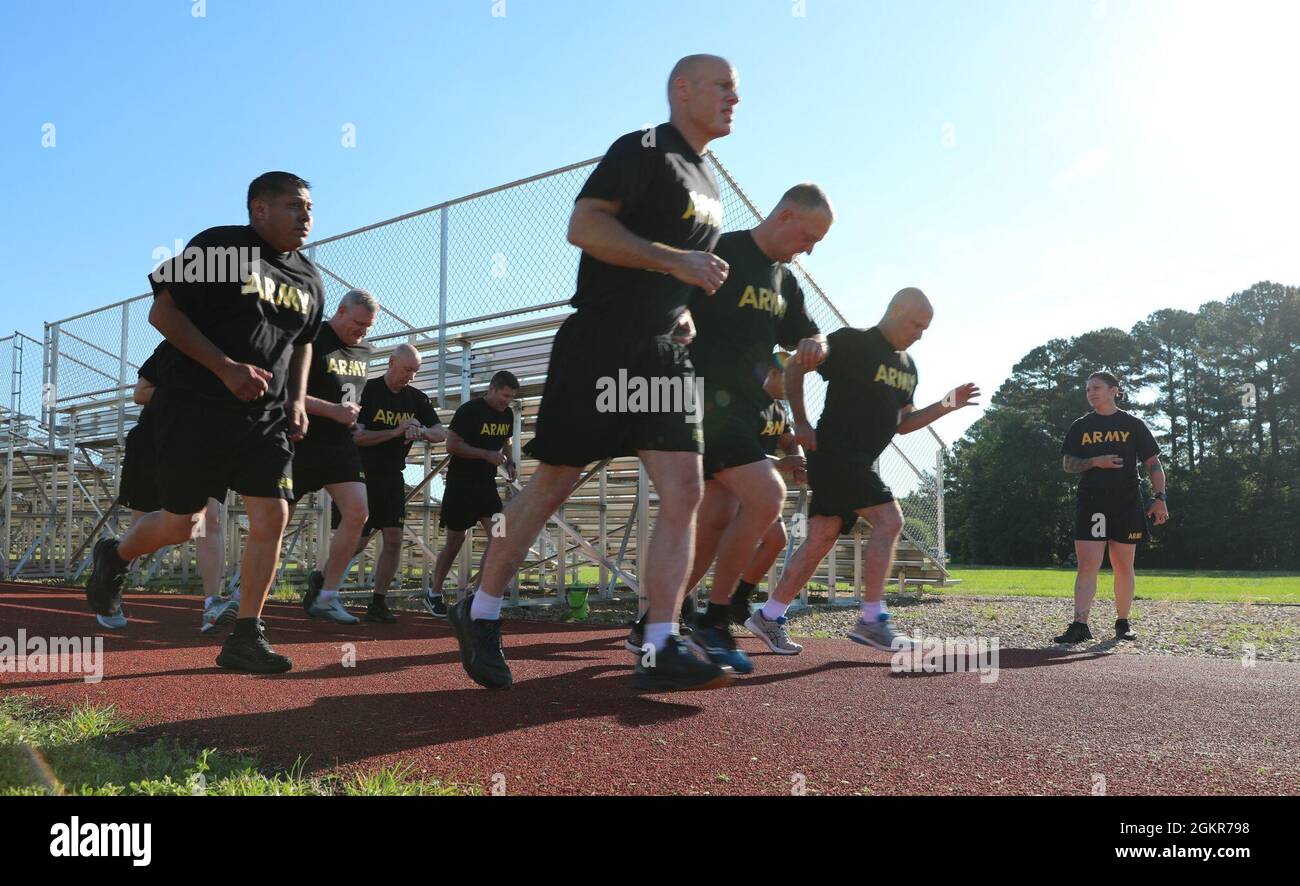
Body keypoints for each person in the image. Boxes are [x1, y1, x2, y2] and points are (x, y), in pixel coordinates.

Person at [447, 54, 740, 692]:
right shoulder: (642, 149)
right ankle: (481, 608)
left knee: (686, 490)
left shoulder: (709, 180)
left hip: (662, 352)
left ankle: (660, 639)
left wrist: (681, 307)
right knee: (553, 483)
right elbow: (584, 226)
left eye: (736, 91)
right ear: (682, 89)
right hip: (601, 342)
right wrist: (676, 265)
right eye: (722, 87)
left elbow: (671, 269)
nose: (733, 99)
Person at [85, 171, 323, 674]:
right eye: (293, 206)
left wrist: (298, 399)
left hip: (265, 417)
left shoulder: (309, 278)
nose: (306, 216)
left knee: (273, 515)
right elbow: (163, 314)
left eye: (309, 207)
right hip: (195, 405)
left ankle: (245, 635)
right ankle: (117, 555)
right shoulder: (220, 248)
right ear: (258, 208)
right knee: (181, 524)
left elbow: (303, 343)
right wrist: (225, 368)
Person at [624, 185, 832, 674]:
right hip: (699, 402)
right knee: (767, 495)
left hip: (747, 410)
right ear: (783, 217)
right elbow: (662, 299)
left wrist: (816, 344)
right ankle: (715, 619)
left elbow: (809, 330)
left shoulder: (788, 284)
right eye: (809, 235)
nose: (811, 248)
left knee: (716, 520)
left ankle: (654, 622)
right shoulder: (722, 250)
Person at [746, 288, 979, 654]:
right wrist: (802, 422)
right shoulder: (851, 342)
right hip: (836, 454)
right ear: (895, 311)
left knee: (821, 539)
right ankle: (872, 620)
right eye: (917, 324)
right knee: (890, 520)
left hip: (856, 461)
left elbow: (904, 423)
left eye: (926, 328)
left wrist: (947, 404)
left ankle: (770, 614)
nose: (921, 333)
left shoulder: (908, 367)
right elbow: (793, 367)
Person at [119, 342, 233, 633]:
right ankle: (110, 591)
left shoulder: (237, 347)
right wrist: (188, 397)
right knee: (140, 522)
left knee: (209, 519)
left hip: (203, 446)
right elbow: (140, 393)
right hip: (154, 442)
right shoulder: (174, 344)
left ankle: (212, 604)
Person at [1055, 371, 1167, 644]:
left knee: (1123, 565)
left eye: (1096, 388)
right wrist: (1096, 461)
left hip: (1126, 501)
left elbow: (1153, 463)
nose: (1091, 393)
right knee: (1088, 565)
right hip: (1093, 501)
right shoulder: (1081, 426)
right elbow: (1068, 464)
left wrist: (1160, 497)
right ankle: (1080, 625)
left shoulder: (1133, 424)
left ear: (1114, 390)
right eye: (1088, 389)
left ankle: (1123, 622)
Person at [290, 289, 378, 625]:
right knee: (277, 517)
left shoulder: (365, 351)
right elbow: (287, 391)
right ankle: (241, 592)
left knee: (358, 512)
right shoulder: (309, 338)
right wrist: (333, 411)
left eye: (368, 326)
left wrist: (354, 421)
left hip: (340, 444)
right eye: (358, 323)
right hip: (301, 438)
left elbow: (351, 397)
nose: (363, 331)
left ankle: (326, 594)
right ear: (340, 311)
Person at [350, 345, 445, 615]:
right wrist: (396, 431)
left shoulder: (417, 399)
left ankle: (378, 601)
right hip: (361, 474)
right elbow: (357, 437)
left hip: (393, 474)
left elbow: (442, 434)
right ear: (391, 363)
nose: (410, 376)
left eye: (415, 371)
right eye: (407, 369)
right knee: (358, 541)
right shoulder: (367, 391)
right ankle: (322, 580)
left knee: (394, 538)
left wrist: (421, 430)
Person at [425, 371, 519, 618]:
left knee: (500, 537)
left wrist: (509, 463)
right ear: (491, 389)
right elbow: (452, 445)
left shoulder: (507, 414)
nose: (506, 401)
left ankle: (479, 595)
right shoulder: (469, 411)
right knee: (455, 542)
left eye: (511, 397)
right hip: (460, 486)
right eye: (504, 395)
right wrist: (485, 454)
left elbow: (506, 441)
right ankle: (434, 593)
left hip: (487, 487)